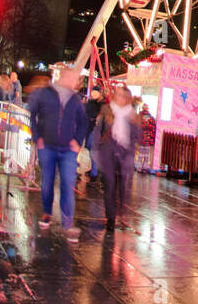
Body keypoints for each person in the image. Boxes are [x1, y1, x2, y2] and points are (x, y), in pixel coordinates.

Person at [27, 64, 89, 243]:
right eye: (72, 78)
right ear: (62, 77)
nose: (74, 82)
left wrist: (77, 140)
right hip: (47, 145)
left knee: (68, 184)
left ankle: (68, 223)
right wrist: (37, 136)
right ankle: (47, 213)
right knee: (46, 183)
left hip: (67, 150)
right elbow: (32, 114)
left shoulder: (76, 99)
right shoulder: (46, 94)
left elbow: (83, 122)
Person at [94, 84, 141, 230]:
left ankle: (121, 211)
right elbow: (98, 131)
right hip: (108, 152)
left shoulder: (133, 115)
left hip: (124, 154)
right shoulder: (106, 110)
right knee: (109, 185)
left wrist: (132, 152)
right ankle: (110, 217)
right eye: (118, 94)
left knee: (122, 187)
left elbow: (137, 136)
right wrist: (96, 150)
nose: (120, 98)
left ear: (127, 98)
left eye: (123, 95)